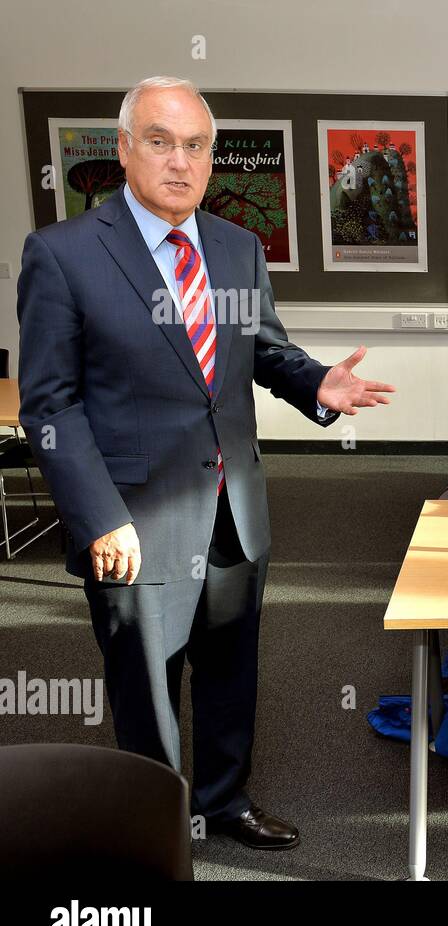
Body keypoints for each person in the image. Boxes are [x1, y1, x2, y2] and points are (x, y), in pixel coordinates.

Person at [16, 76, 395, 850]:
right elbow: (50, 404)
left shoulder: (235, 247)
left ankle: (224, 801)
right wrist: (98, 516)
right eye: (160, 142)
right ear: (124, 150)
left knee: (230, 673)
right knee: (147, 687)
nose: (180, 162)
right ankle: (153, 826)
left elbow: (263, 349)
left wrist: (317, 380)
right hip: (133, 520)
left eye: (195, 146)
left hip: (231, 506)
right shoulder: (62, 255)